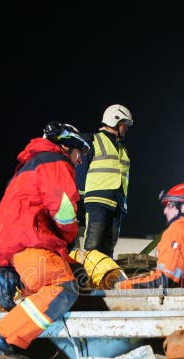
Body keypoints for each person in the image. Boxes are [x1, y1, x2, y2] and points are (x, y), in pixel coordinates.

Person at [0, 122, 90, 357]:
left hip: (13, 241)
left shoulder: (29, 166)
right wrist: (68, 238)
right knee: (63, 287)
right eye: (79, 153)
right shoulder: (56, 162)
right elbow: (64, 209)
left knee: (78, 273)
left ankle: (13, 278)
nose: (79, 160)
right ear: (66, 146)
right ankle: (2, 339)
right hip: (31, 239)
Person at [115, 182, 184, 289]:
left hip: (178, 302)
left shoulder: (178, 232)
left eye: (170, 205)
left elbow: (165, 281)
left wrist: (122, 286)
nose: (165, 211)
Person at [76, 104, 133, 258]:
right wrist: (82, 194)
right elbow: (81, 169)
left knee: (109, 247)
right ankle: (88, 278)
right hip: (98, 200)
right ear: (115, 121)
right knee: (93, 244)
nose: (126, 128)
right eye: (124, 124)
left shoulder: (122, 149)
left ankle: (105, 279)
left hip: (117, 203)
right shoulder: (94, 141)